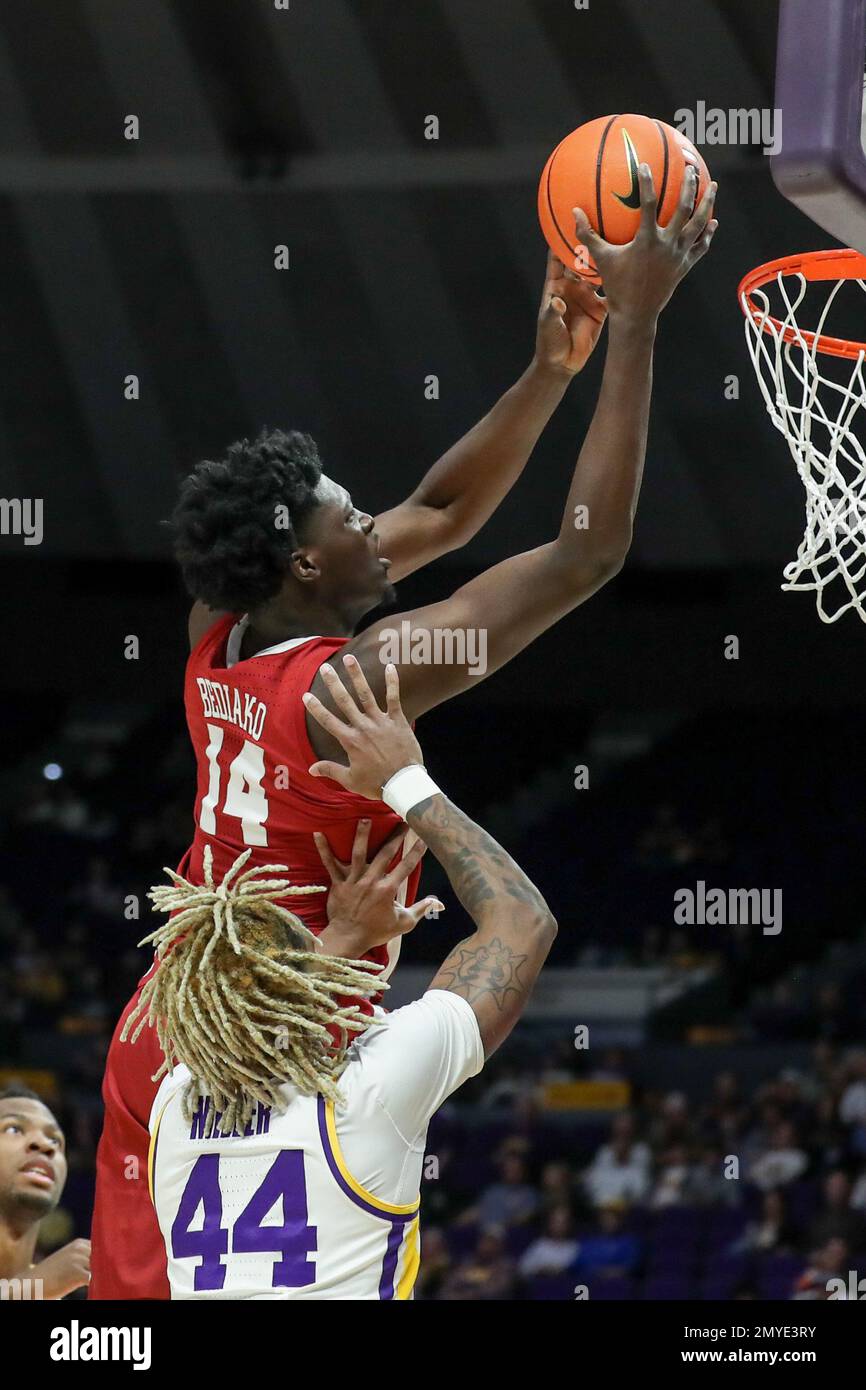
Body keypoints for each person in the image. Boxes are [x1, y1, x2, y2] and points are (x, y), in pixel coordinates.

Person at [91, 167, 717, 1298]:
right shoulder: (360, 685)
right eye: (346, 519)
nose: (375, 526)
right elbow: (584, 554)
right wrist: (633, 326)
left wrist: (546, 372)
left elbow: (440, 515)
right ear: (303, 562)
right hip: (273, 1034)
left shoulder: (219, 625)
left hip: (166, 1026)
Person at [144, 660, 557, 1297]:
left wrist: (340, 942)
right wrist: (405, 781)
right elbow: (523, 919)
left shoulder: (173, 1103)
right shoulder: (368, 1093)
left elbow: (263, 1012)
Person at [0, 1086, 90, 1300]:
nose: (44, 1145)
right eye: (14, 1129)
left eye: (55, 1140)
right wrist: (33, 1288)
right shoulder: (44, 1286)